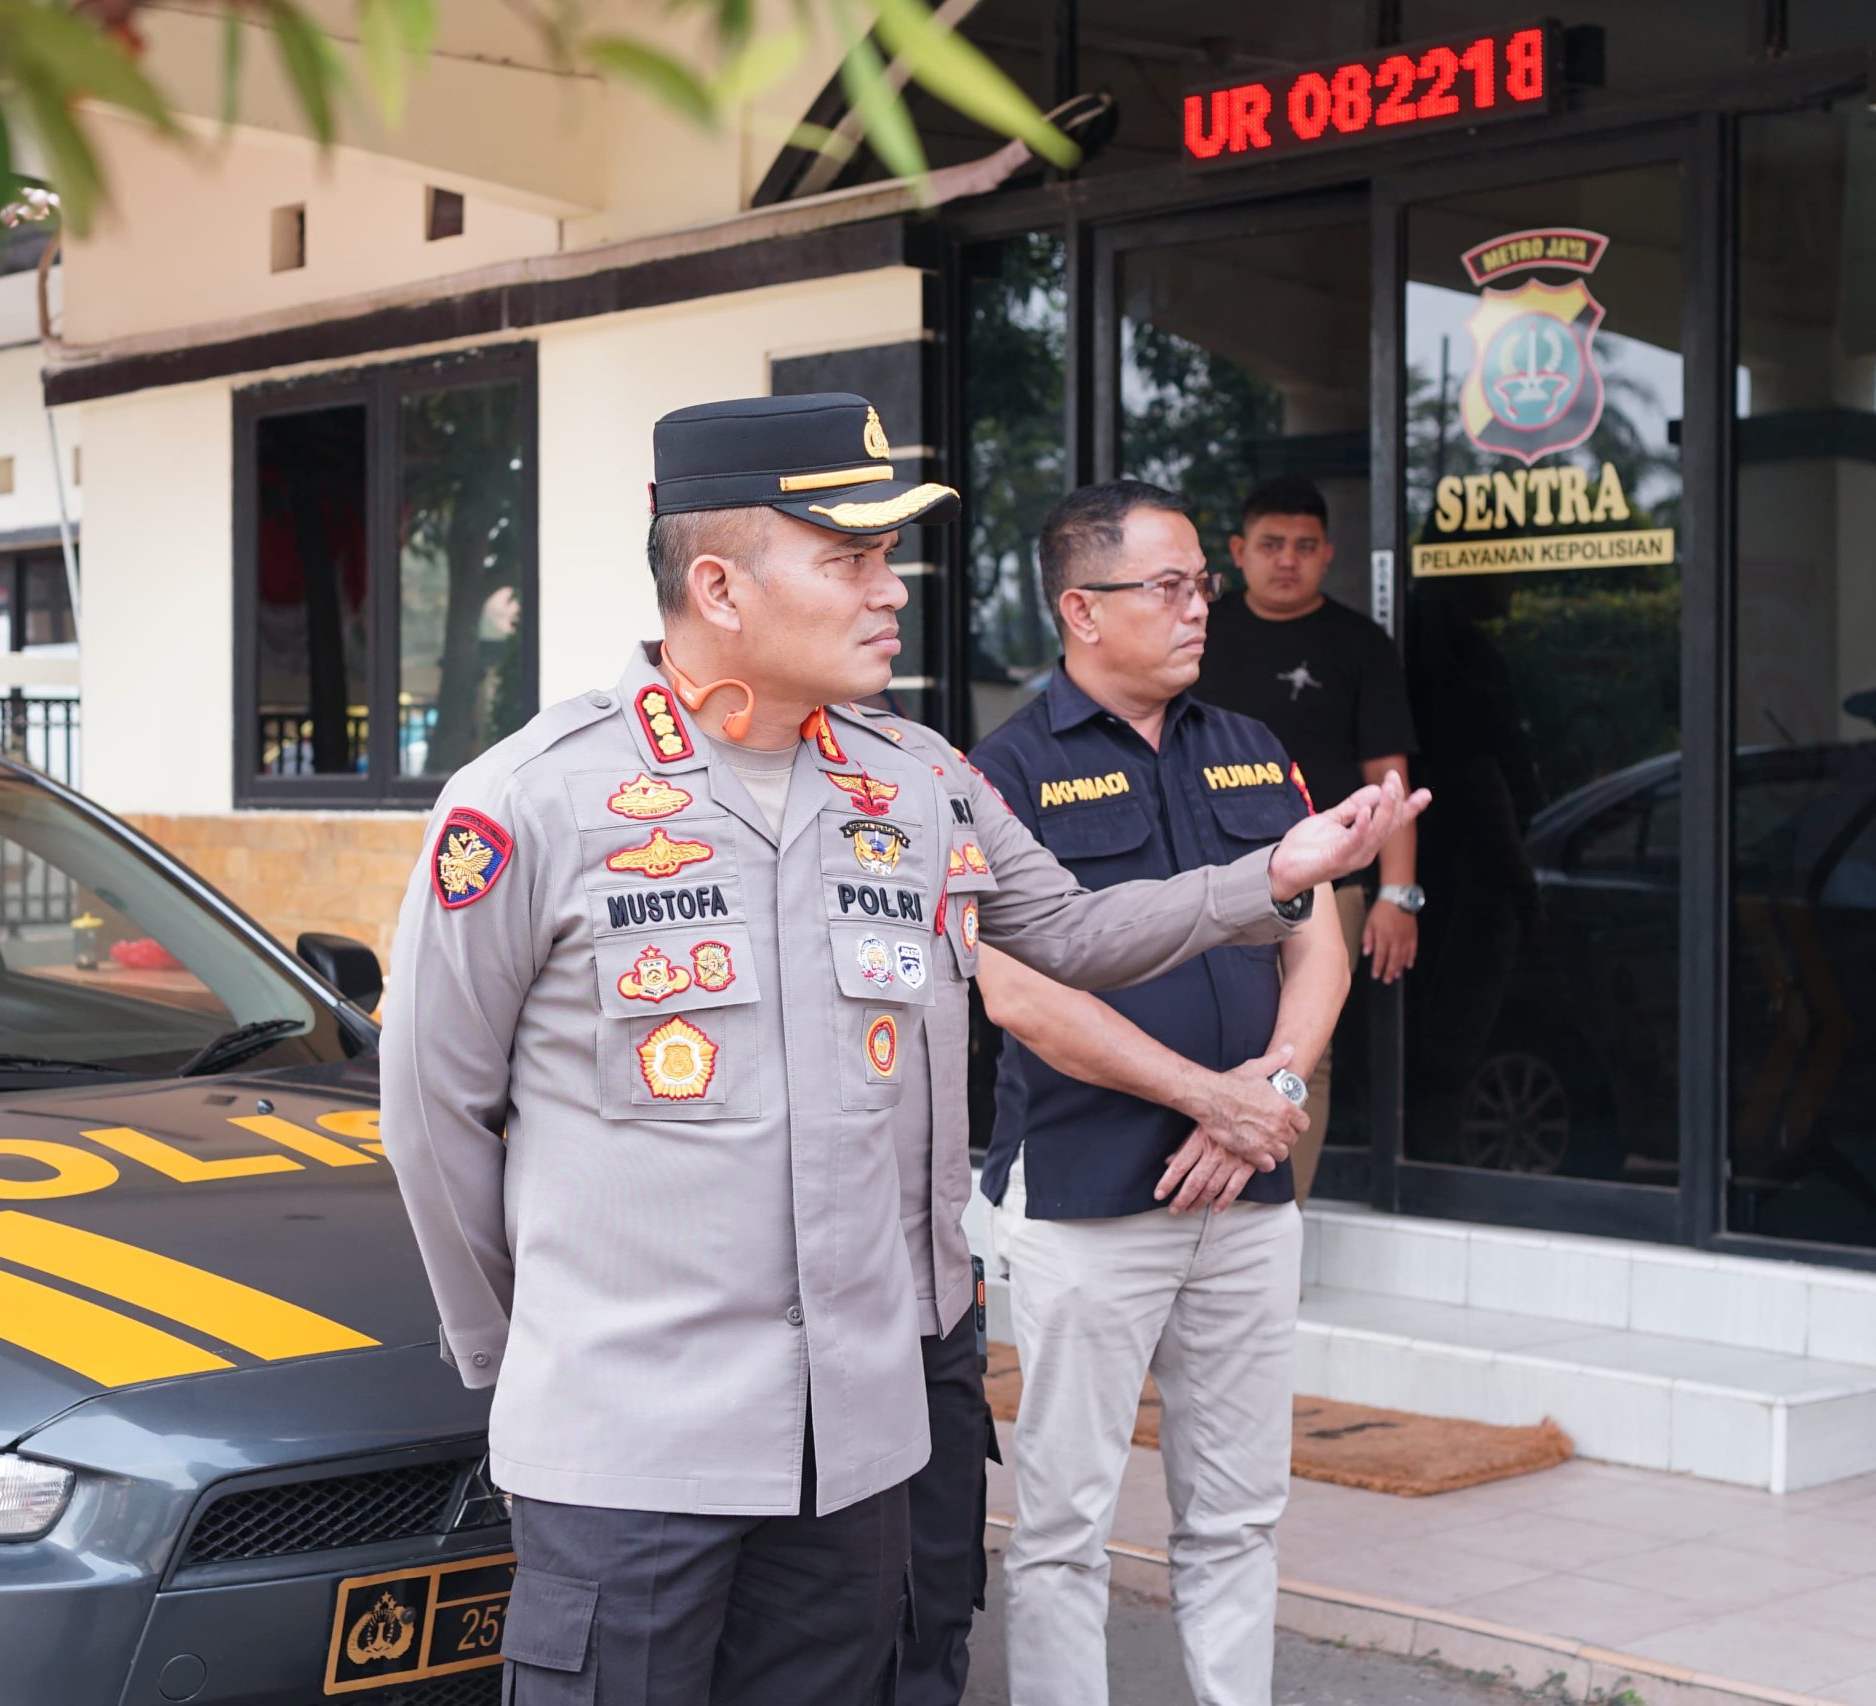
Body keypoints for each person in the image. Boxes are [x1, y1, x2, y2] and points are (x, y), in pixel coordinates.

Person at [379, 395, 1428, 1706]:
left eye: (891, 555)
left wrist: (1269, 872)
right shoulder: (532, 800)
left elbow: (1075, 929)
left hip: (854, 1451)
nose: (893, 590)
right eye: (850, 557)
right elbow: (431, 1115)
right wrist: (543, 1346)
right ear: (719, 582)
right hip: (629, 1448)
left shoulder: (914, 777)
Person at [972, 479, 1355, 1706]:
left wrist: (1274, 1086)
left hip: (1245, 1190)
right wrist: (1212, 1095)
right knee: (1064, 1521)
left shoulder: (1246, 743)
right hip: (1088, 1197)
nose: (1205, 606)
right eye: (1175, 584)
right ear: (1081, 609)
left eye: (1204, 582)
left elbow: (1319, 938)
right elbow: (1019, 993)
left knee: (1241, 1508)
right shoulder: (1000, 771)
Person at [1194, 474, 1424, 1205]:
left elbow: (1390, 776)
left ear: (1327, 554)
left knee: (1302, 1053)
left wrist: (1398, 893)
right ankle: (1197, 1218)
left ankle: (1273, 1225)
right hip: (1206, 873)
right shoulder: (1202, 629)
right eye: (1269, 545)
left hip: (1332, 881)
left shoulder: (1359, 643)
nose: (1285, 560)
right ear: (1238, 550)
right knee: (1198, 1037)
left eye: (1302, 546)